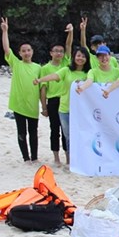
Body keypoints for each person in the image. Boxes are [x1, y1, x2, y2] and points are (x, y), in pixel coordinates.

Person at [35, 45, 89, 166]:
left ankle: (72, 159)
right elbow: (54, 76)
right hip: (63, 106)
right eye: (78, 56)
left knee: (76, 134)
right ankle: (59, 158)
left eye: (83, 56)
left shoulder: (89, 73)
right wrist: (40, 80)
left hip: (80, 108)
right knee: (60, 132)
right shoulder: (66, 70)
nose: (80, 58)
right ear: (74, 57)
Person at [1, 17, 42, 163]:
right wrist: (5, 31)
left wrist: (44, 106)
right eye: (23, 51)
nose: (26, 53)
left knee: (33, 133)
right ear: (19, 53)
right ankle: (26, 158)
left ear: (32, 52)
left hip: (33, 106)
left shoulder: (38, 68)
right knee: (21, 133)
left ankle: (34, 157)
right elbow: (6, 49)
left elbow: (42, 88)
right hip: (18, 105)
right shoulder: (16, 64)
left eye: (28, 50)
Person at [37, 24, 73, 164]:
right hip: (52, 101)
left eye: (61, 51)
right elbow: (43, 89)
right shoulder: (45, 68)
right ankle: (56, 158)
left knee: (66, 130)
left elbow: (69, 45)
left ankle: (68, 157)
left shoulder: (66, 64)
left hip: (65, 100)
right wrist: (44, 107)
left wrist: (70, 32)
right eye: (56, 51)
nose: (59, 53)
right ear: (51, 53)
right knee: (54, 129)